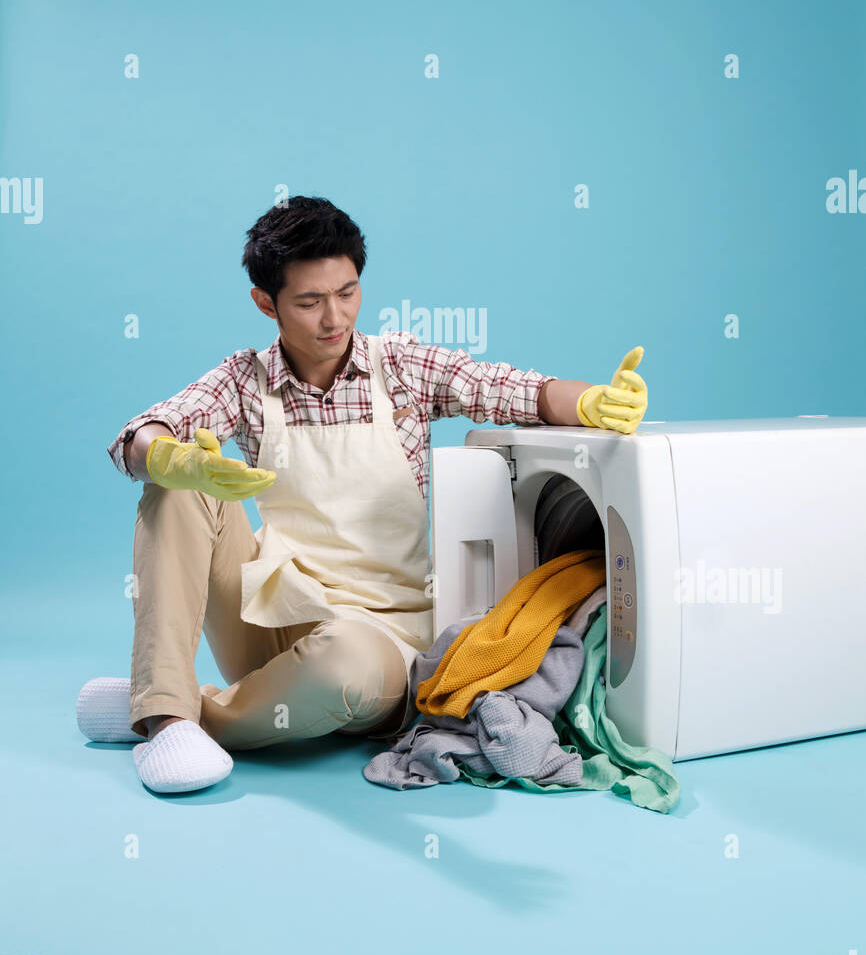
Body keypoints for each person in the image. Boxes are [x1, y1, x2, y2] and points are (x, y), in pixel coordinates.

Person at [76, 195, 648, 794]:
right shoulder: (246, 381)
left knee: (342, 666)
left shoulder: (400, 367)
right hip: (270, 625)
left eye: (347, 292)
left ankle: (172, 710)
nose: (334, 318)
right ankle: (167, 718)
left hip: (377, 644)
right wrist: (167, 454)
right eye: (309, 301)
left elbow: (512, 390)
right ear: (265, 303)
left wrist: (588, 402)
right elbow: (138, 434)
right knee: (173, 488)